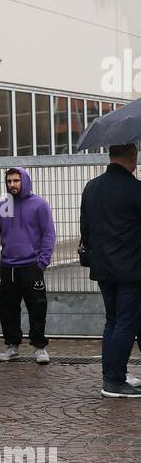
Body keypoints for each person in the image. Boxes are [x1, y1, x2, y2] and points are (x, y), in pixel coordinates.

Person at [79, 142, 141, 398]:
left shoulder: (91, 187)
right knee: (126, 323)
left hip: (103, 268)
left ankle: (113, 375)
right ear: (132, 156)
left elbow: (85, 229)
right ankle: (114, 380)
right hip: (131, 269)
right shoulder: (136, 190)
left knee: (112, 321)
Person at [0, 167, 56, 365]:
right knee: (8, 308)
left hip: (31, 266)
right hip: (7, 267)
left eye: (16, 181)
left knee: (37, 307)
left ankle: (39, 347)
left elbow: (48, 234)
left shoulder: (40, 205)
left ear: (25, 181)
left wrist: (42, 262)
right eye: (9, 181)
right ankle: (12, 346)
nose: (12, 185)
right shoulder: (1, 206)